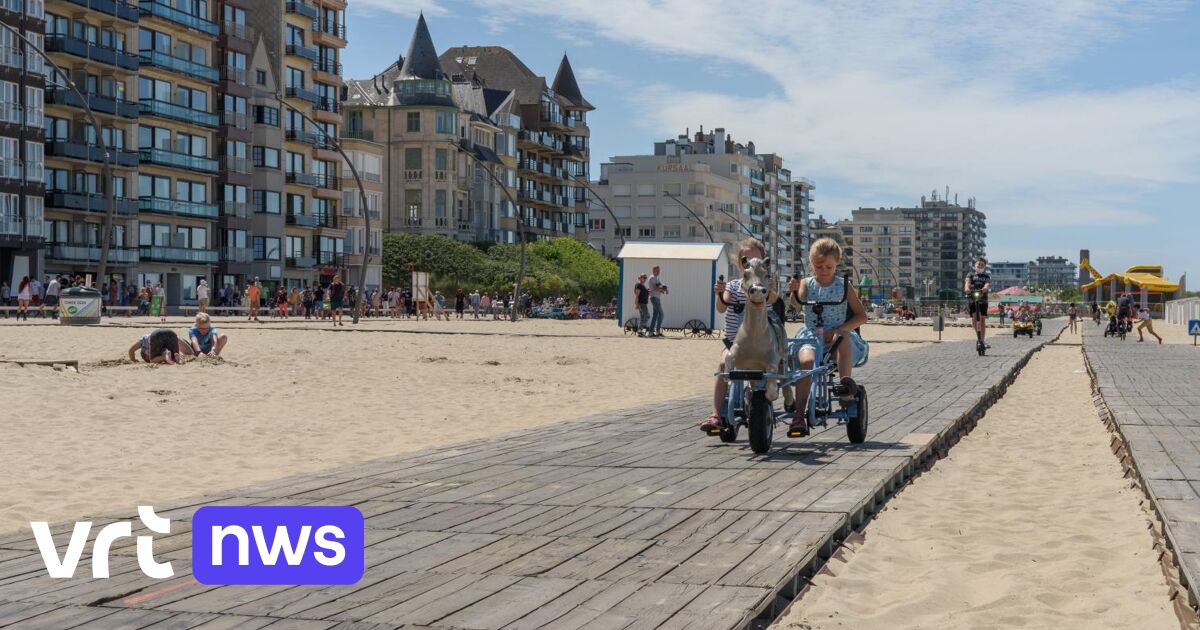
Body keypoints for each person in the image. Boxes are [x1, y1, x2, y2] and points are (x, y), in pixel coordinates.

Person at [787, 238, 869, 437]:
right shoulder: (807, 283)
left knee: (843, 337)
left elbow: (861, 316)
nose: (823, 271)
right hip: (811, 336)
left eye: (828, 267)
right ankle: (799, 415)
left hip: (836, 338)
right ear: (811, 263)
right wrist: (794, 291)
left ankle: (845, 386)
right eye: (818, 266)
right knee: (807, 362)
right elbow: (795, 305)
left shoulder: (844, 285)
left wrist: (840, 328)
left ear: (836, 264)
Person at [701, 238, 778, 433]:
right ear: (740, 264)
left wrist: (767, 289)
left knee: (770, 364)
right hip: (734, 343)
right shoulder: (734, 286)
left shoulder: (765, 285)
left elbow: (773, 298)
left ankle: (764, 396)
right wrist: (720, 294)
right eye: (746, 261)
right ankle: (715, 413)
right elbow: (722, 306)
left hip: (761, 345)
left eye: (756, 260)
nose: (751, 264)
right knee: (723, 365)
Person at [963, 257, 991, 350]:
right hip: (972, 298)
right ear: (975, 265)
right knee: (975, 318)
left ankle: (982, 340)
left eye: (982, 265)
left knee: (982, 319)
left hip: (983, 299)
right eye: (978, 264)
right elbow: (967, 282)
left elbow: (987, 283)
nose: (980, 266)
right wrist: (967, 288)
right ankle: (978, 338)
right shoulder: (970, 274)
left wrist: (985, 287)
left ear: (985, 266)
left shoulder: (986, 276)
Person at [127, 328, 192, 364]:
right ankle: (178, 358)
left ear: (145, 354)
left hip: (156, 335)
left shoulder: (144, 342)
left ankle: (165, 357)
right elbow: (131, 351)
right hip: (170, 332)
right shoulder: (160, 350)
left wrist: (134, 361)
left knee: (153, 360)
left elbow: (131, 350)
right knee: (173, 356)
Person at [646, 266, 669, 337]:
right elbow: (656, 287)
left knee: (655, 315)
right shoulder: (652, 277)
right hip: (654, 298)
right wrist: (663, 289)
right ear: (654, 270)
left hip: (656, 298)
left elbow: (659, 286)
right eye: (658, 270)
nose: (659, 272)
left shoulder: (657, 278)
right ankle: (657, 331)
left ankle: (651, 332)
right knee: (661, 314)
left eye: (659, 270)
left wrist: (663, 290)